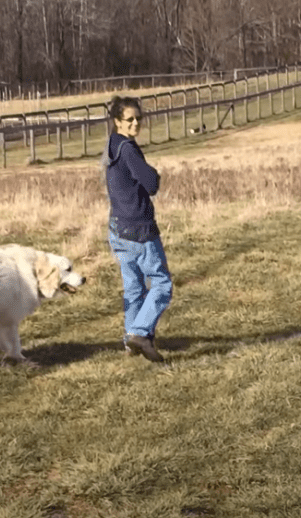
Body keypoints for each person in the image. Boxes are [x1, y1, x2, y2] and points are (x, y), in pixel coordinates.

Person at [104, 96, 171, 363]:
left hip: (118, 228)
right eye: (129, 119)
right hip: (139, 229)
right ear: (117, 121)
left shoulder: (112, 145)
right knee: (162, 283)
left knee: (133, 288)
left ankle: (131, 341)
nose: (135, 123)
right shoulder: (129, 149)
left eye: (138, 118)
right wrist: (153, 174)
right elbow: (151, 183)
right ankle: (140, 334)